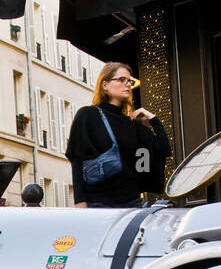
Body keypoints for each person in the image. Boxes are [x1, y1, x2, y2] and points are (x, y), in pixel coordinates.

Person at [66, 62, 170, 208]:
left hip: (132, 203)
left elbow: (163, 149)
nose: (127, 84)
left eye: (129, 81)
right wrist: (80, 202)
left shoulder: (132, 123)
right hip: (98, 203)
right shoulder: (88, 115)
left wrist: (153, 119)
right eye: (121, 80)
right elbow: (77, 158)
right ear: (105, 85)